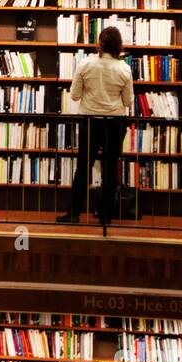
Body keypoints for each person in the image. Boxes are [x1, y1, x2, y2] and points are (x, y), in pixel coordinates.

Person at [57, 25, 133, 225]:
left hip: (90, 121)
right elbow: (128, 102)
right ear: (118, 46)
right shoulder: (124, 69)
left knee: (83, 168)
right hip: (115, 123)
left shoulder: (85, 64)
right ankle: (105, 216)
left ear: (100, 44)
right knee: (109, 169)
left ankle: (73, 213)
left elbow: (74, 95)